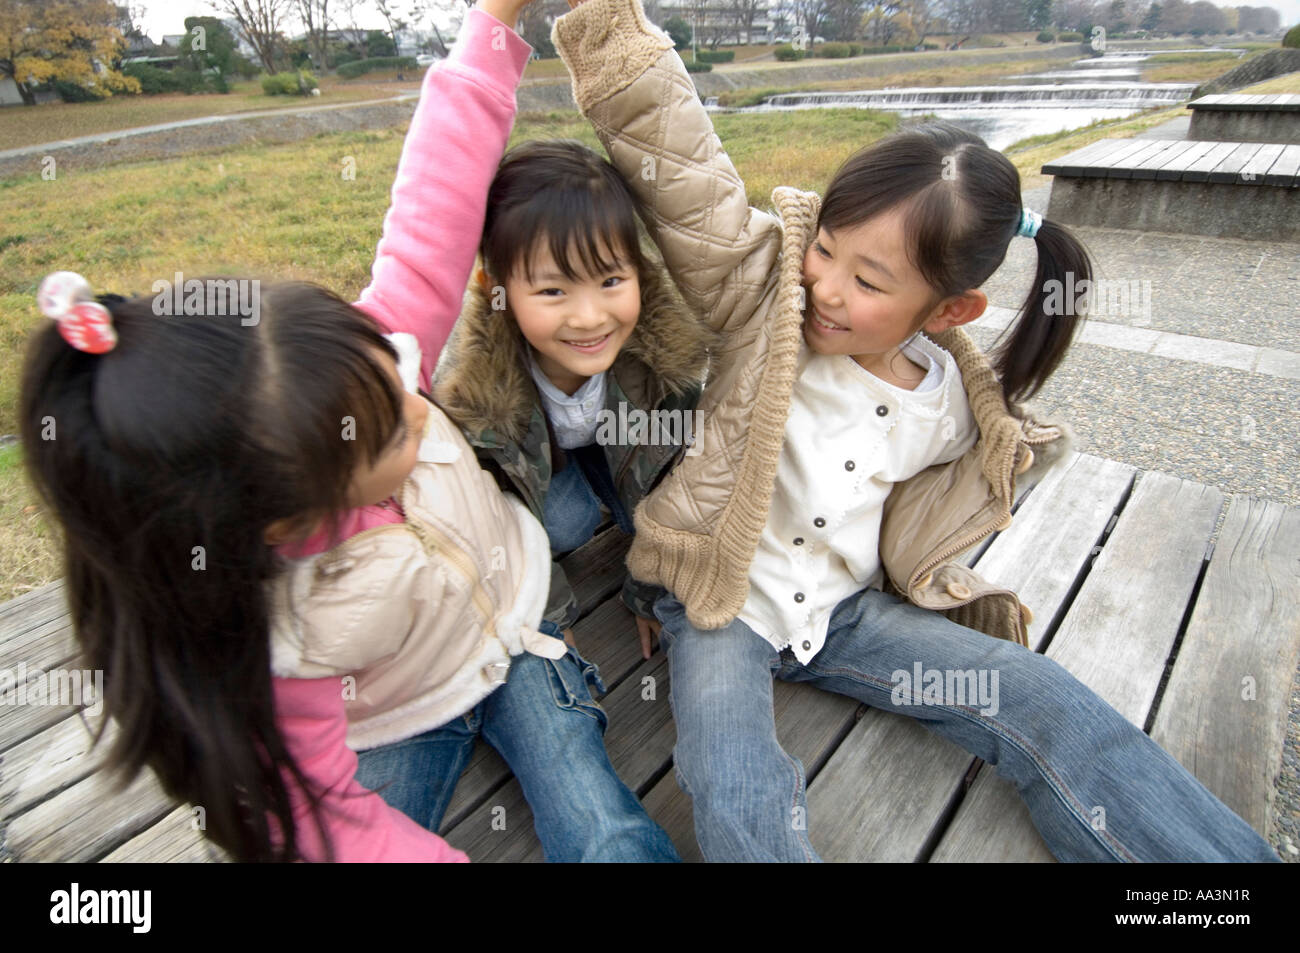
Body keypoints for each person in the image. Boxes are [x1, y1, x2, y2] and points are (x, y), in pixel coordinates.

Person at [549, 0, 1282, 862]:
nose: (824, 285)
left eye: (867, 278)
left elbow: (929, 518)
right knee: (733, 768)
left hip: (851, 615)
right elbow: (686, 177)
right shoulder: (768, 304)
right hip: (722, 602)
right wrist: (609, 29)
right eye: (826, 247)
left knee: (1037, 691)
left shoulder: (956, 409)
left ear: (948, 311)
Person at [19, 0, 670, 863]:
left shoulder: (371, 361)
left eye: (391, 374)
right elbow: (321, 821)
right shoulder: (274, 635)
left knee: (605, 829)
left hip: (516, 639)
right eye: (390, 432)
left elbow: (431, 211)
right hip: (389, 709)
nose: (417, 397)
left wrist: (494, 19)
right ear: (285, 521)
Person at [434, 139, 714, 657]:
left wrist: (649, 592)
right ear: (494, 287)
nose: (589, 318)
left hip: (620, 444)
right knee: (565, 526)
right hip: (550, 462)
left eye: (610, 280)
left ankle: (606, 491)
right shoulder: (475, 396)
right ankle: (584, 492)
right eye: (552, 291)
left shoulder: (661, 366)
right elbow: (488, 516)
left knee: (645, 513)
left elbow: (683, 488)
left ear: (640, 271)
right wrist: (548, 612)